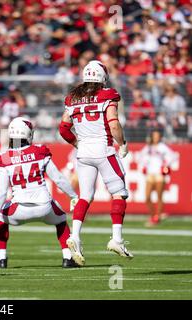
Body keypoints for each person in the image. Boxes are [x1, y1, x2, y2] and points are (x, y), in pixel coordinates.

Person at [59, 60, 133, 266]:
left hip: (83, 153)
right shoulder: (108, 95)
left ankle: (75, 236)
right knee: (119, 193)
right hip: (105, 149)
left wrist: (77, 144)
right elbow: (114, 123)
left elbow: (64, 129)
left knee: (85, 197)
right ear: (103, 77)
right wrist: (123, 144)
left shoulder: (73, 98)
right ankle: (117, 239)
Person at [0, 117, 79, 269]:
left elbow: (2, 191)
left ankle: (2, 260)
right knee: (62, 220)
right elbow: (58, 179)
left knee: (1, 219)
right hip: (45, 206)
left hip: (19, 209)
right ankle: (67, 259)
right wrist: (73, 196)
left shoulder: (2, 157)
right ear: (29, 134)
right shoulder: (40, 151)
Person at [139, 130, 176, 226]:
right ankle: (153, 215)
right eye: (154, 136)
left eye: (157, 136)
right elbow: (141, 157)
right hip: (150, 174)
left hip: (159, 174)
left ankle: (156, 218)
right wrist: (144, 166)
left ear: (160, 137)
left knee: (159, 197)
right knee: (147, 197)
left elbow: (173, 156)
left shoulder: (163, 147)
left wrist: (166, 165)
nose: (156, 137)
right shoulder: (148, 147)